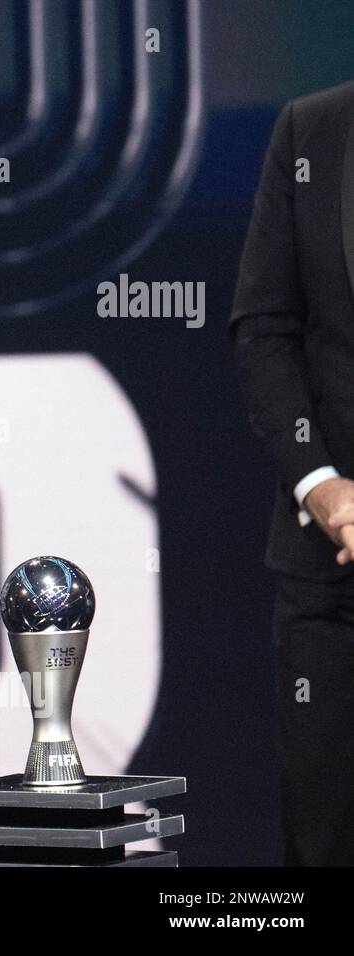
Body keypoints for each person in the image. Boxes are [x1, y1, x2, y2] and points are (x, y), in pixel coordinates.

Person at [229, 78, 354, 865]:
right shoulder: (311, 131)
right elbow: (264, 326)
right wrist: (325, 486)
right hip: (329, 586)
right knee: (322, 838)